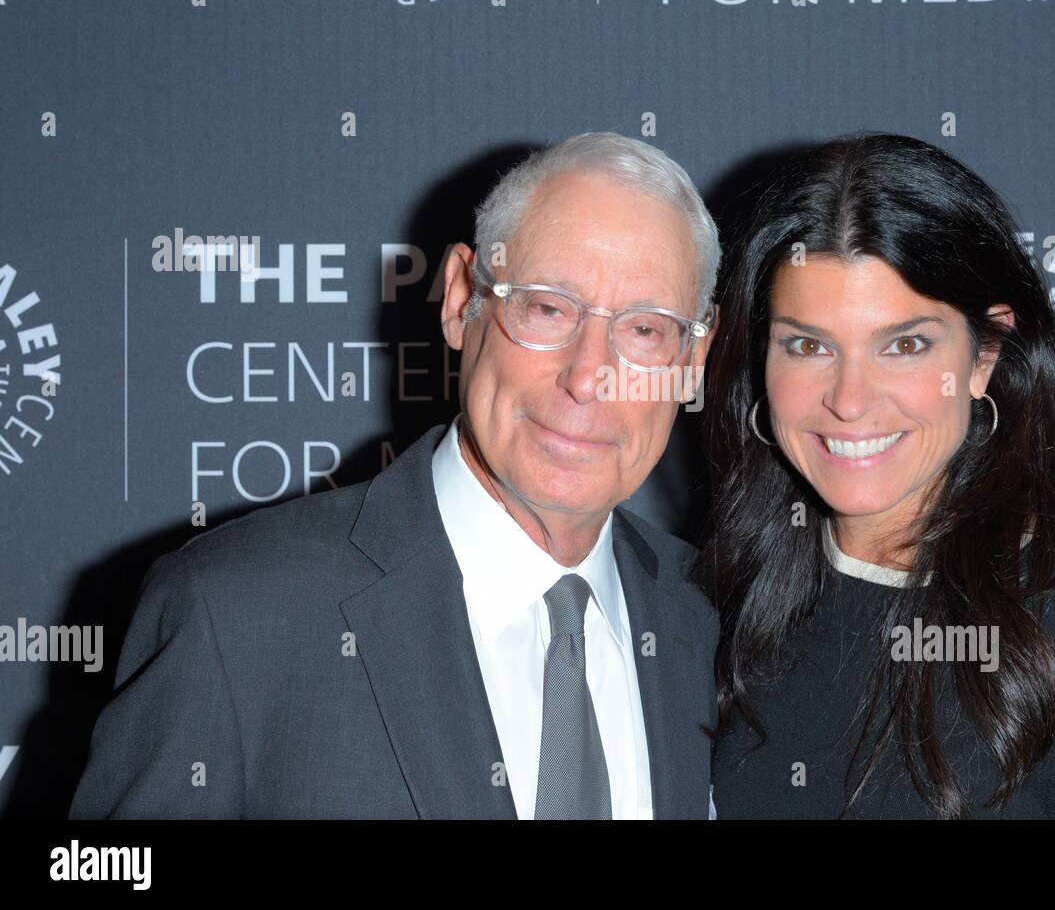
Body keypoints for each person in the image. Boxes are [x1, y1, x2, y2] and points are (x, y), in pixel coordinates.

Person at [71, 132, 720, 819]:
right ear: (460, 298)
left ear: (694, 359)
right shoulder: (235, 614)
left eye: (645, 330)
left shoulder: (716, 623)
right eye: (546, 308)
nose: (588, 376)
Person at [701, 132, 1055, 818]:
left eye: (905, 344)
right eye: (807, 345)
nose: (850, 398)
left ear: (985, 354)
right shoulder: (710, 615)